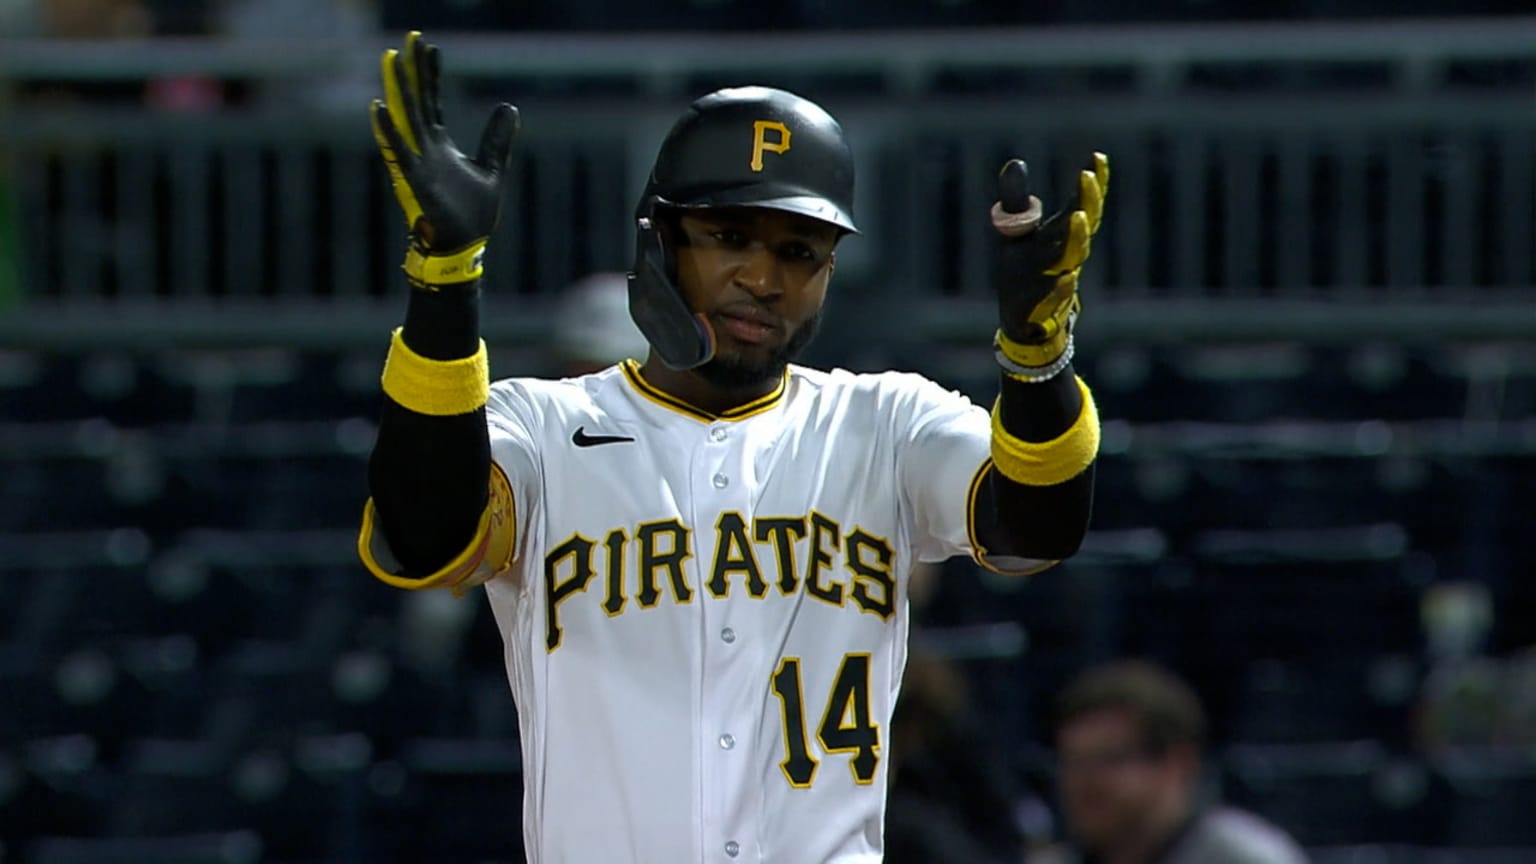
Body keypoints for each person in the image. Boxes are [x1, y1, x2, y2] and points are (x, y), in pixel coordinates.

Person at [357, 30, 1106, 863]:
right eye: (729, 237)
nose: (763, 278)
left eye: (798, 252)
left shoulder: (886, 423)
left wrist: (1038, 362)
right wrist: (443, 282)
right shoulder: (540, 426)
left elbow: (1036, 525)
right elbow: (425, 536)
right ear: (660, 240)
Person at [1048, 661, 1309, 864]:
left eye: (1109, 759)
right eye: (1073, 761)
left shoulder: (1245, 859)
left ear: (1178, 764)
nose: (1083, 781)